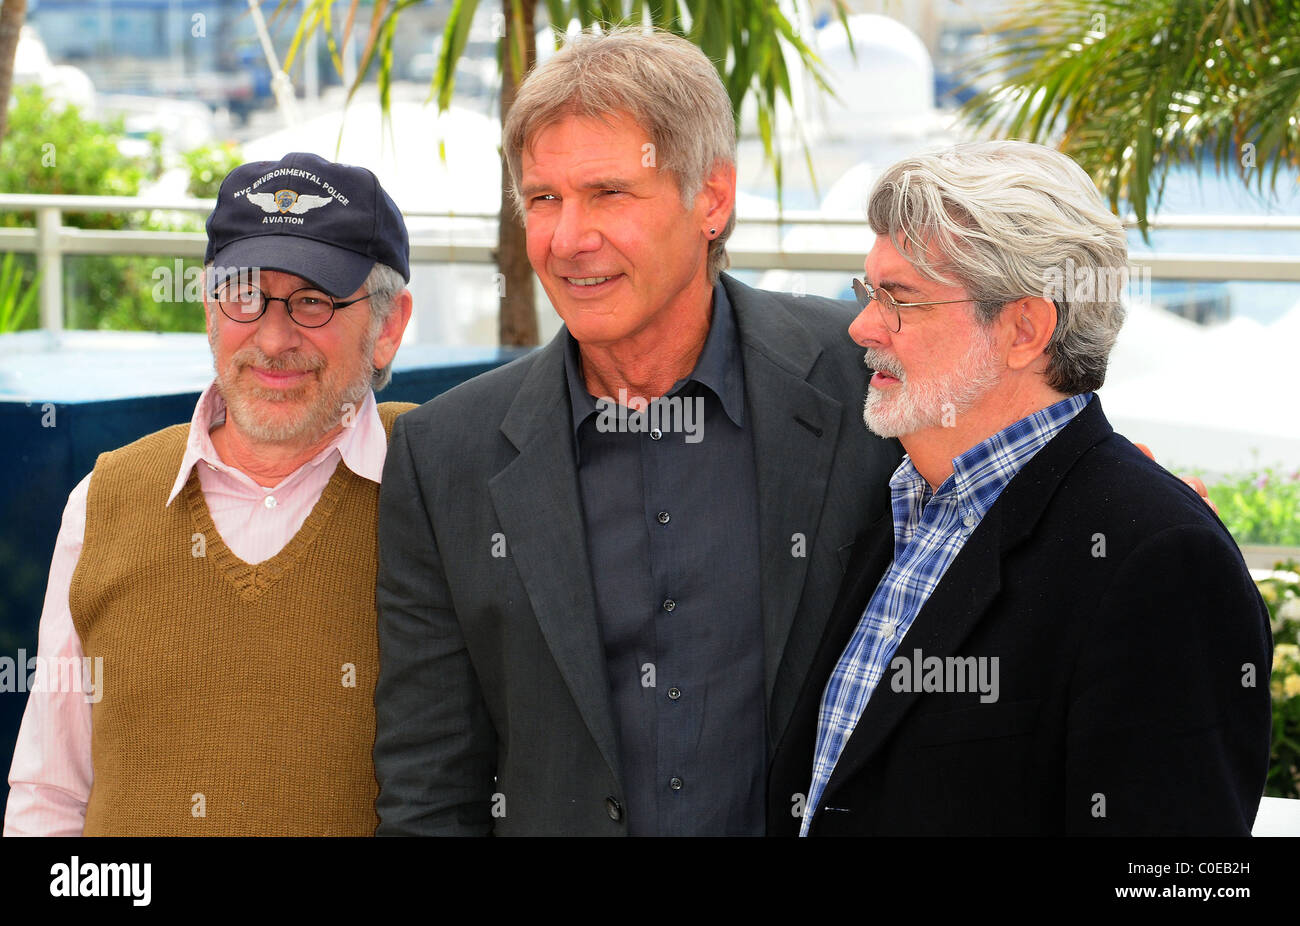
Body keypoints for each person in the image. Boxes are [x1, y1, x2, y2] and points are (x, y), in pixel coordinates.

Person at [372, 29, 902, 836]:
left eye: (609, 193)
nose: (567, 238)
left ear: (712, 200)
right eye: (544, 198)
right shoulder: (444, 455)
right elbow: (429, 785)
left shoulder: (865, 380)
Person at [767, 141, 1272, 836]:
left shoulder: (1159, 559)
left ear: (1024, 328)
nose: (861, 325)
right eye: (866, 291)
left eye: (900, 298)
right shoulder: (898, 501)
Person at [4, 152, 415, 836]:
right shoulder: (104, 499)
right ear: (209, 303)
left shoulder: (438, 487)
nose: (273, 336)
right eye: (244, 293)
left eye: (313, 300)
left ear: (389, 326)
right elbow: (48, 796)